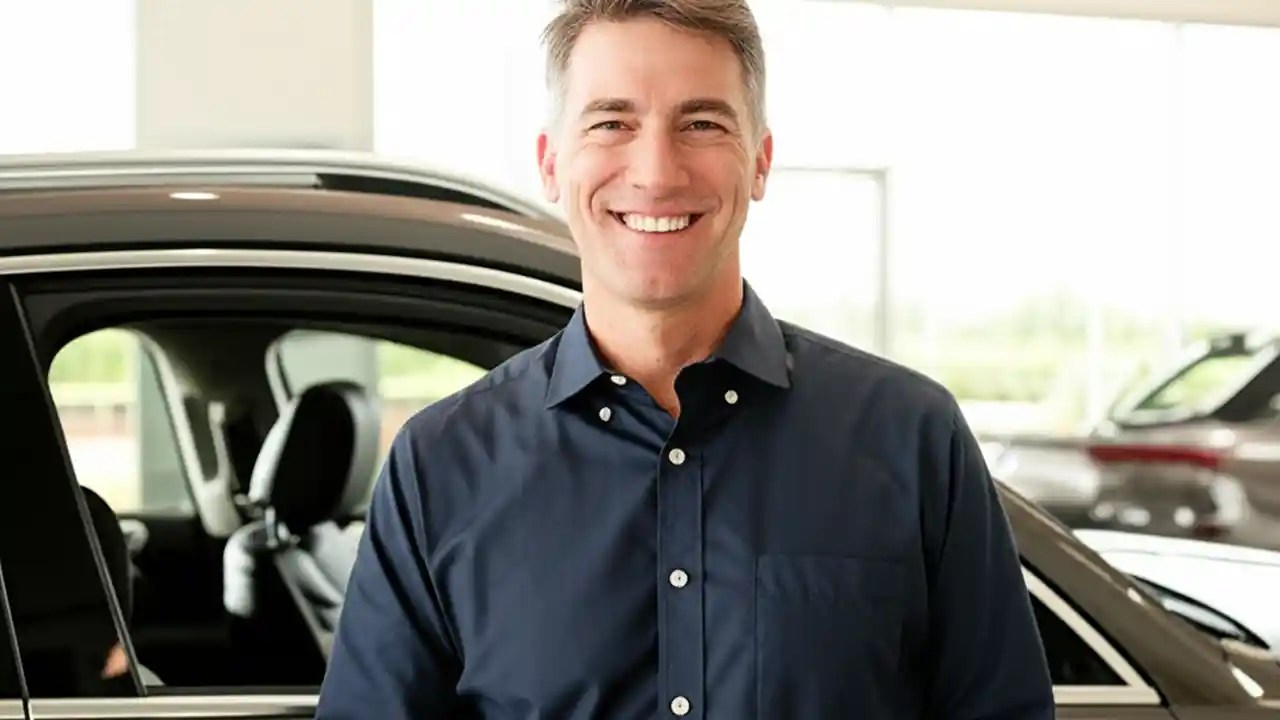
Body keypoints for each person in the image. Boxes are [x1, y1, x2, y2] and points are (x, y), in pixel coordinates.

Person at [316, 0, 1055, 718]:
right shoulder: (440, 468)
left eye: (701, 123)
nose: (657, 171)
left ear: (760, 162)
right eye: (612, 122)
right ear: (551, 163)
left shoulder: (911, 438)